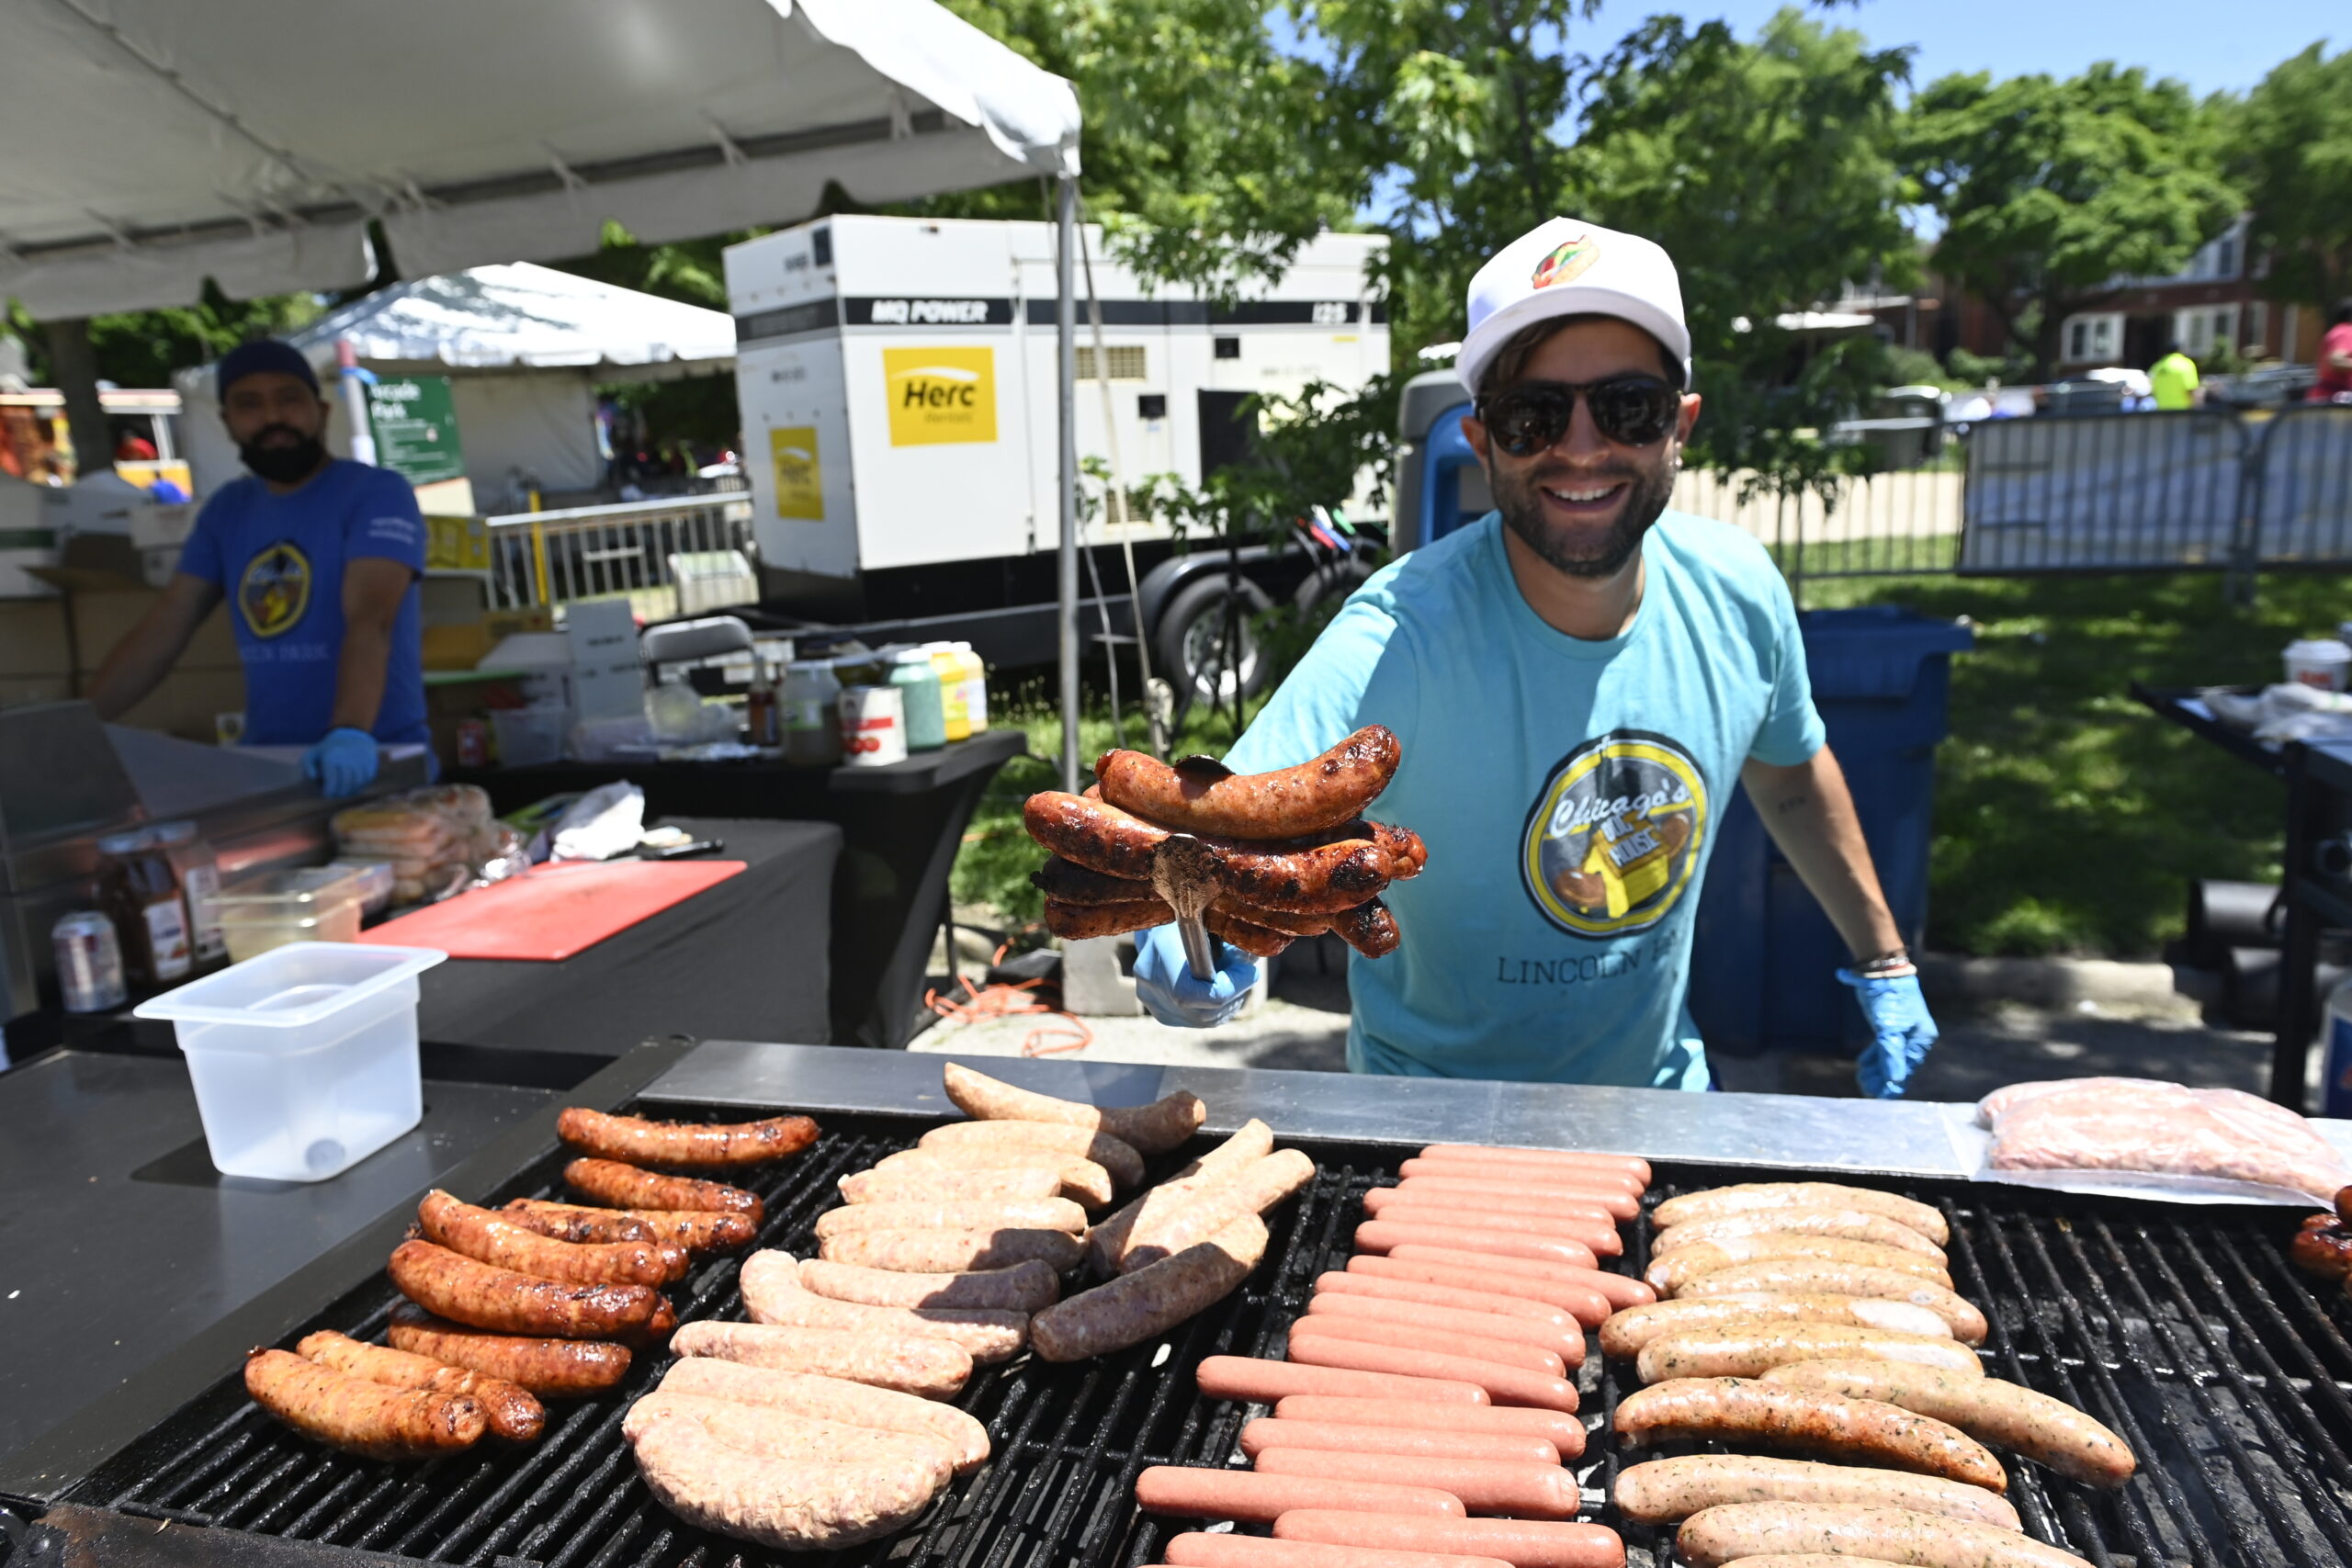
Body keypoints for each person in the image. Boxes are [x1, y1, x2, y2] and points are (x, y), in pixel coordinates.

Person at [1131, 218, 1938, 1099]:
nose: (1583, 446)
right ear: (1483, 444)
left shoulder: (1741, 592)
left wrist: (1884, 960)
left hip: (1661, 1107)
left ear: (1681, 424)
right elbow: (1228, 821)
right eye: (1532, 415)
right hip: (1424, 1126)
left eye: (1628, 406)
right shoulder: (1398, 633)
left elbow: (1788, 773)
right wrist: (1191, 921)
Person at [89, 339, 428, 797]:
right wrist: (75, 728)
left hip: (378, 762)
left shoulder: (376, 493)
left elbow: (372, 617)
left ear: (322, 410)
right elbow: (166, 625)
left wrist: (350, 732)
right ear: (228, 423)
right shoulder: (226, 510)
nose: (272, 417)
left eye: (289, 398)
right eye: (249, 404)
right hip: (272, 769)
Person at [2311, 304, 2352, 403]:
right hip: (2335, 399)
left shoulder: (2337, 331)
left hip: (2326, 397)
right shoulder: (2346, 332)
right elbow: (2336, 360)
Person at [2148, 341, 2200, 412]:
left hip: (2161, 411)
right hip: (2181, 411)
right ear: (2180, 350)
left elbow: (2151, 388)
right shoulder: (2186, 364)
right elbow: (2191, 389)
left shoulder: (2157, 366)